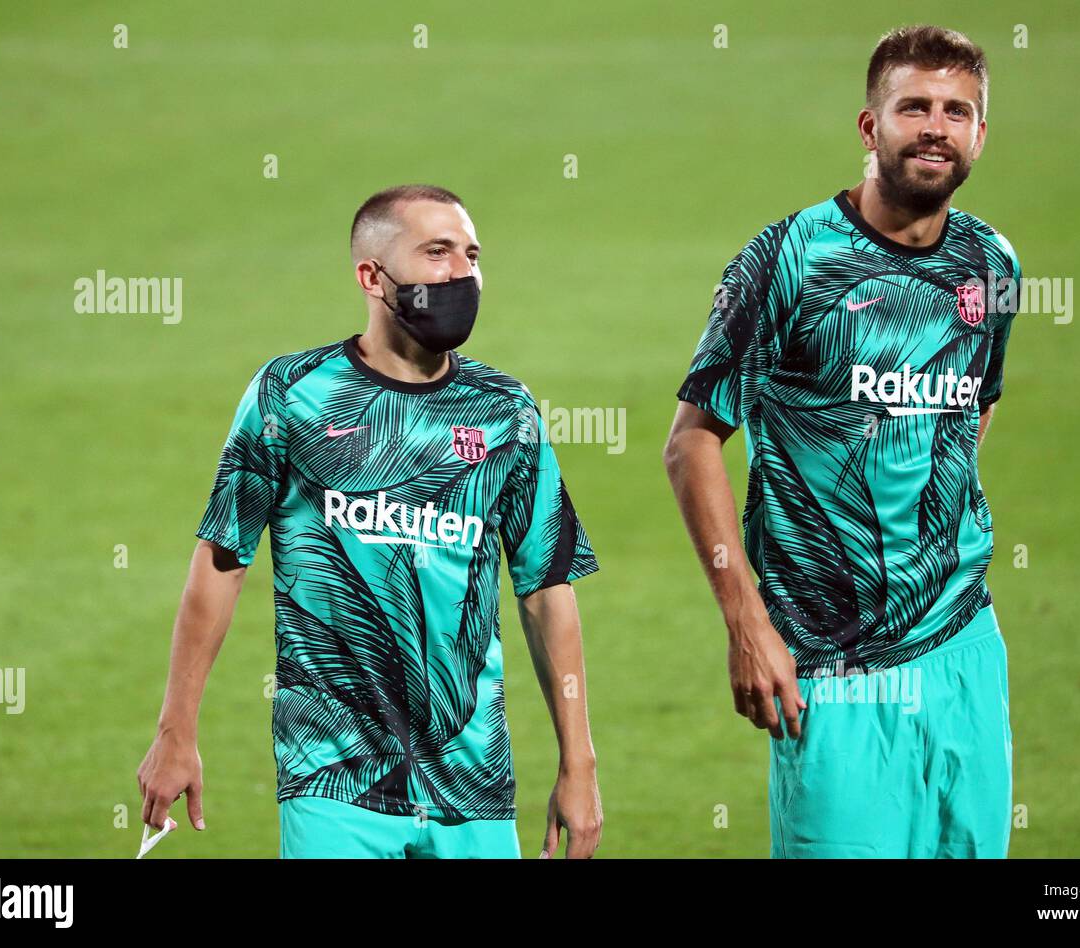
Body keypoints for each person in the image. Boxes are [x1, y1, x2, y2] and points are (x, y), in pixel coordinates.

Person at [138, 184, 603, 858]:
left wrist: (578, 764)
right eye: (437, 252)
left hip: (472, 785)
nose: (461, 274)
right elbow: (221, 563)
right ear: (371, 275)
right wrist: (175, 730)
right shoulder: (290, 395)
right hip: (333, 782)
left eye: (471, 256)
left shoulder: (507, 412)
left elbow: (546, 590)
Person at [664, 26, 1021, 858]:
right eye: (915, 107)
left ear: (979, 135)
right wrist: (748, 625)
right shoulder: (789, 259)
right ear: (871, 126)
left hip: (963, 643)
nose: (936, 126)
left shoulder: (991, 264)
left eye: (957, 111)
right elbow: (693, 443)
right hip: (832, 658)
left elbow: (974, 409)